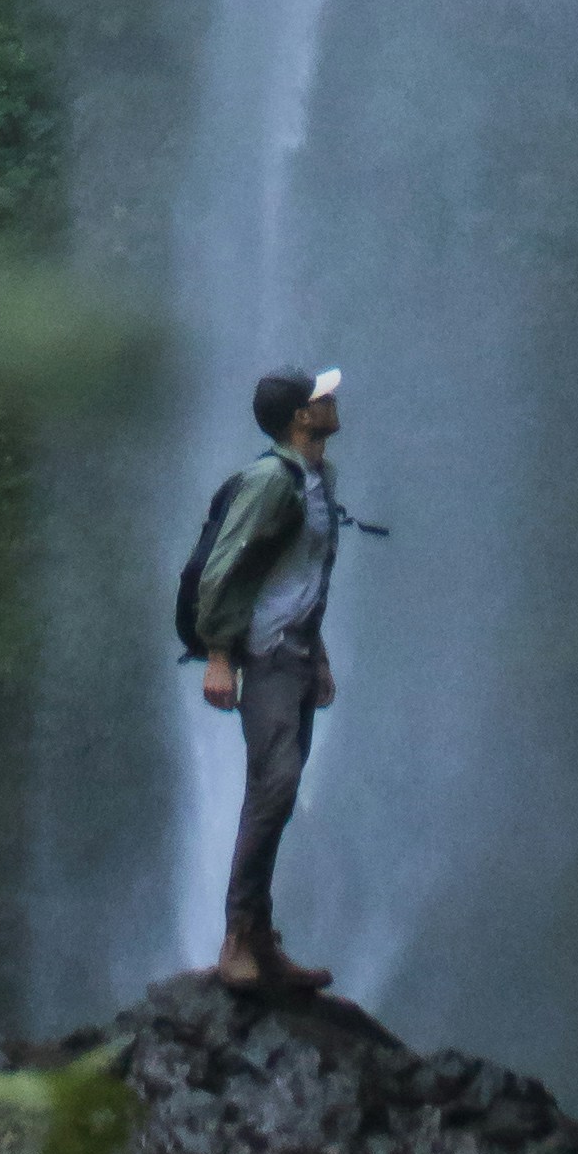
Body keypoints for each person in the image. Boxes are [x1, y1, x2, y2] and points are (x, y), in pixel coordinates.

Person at [196, 360, 343, 995]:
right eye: (321, 399)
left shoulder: (320, 479)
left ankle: (261, 939)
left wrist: (322, 656)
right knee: (276, 786)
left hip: (298, 656)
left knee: (277, 791)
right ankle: (237, 939)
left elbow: (302, 578)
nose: (333, 403)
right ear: (300, 417)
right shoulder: (268, 481)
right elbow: (221, 571)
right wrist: (219, 655)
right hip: (264, 656)